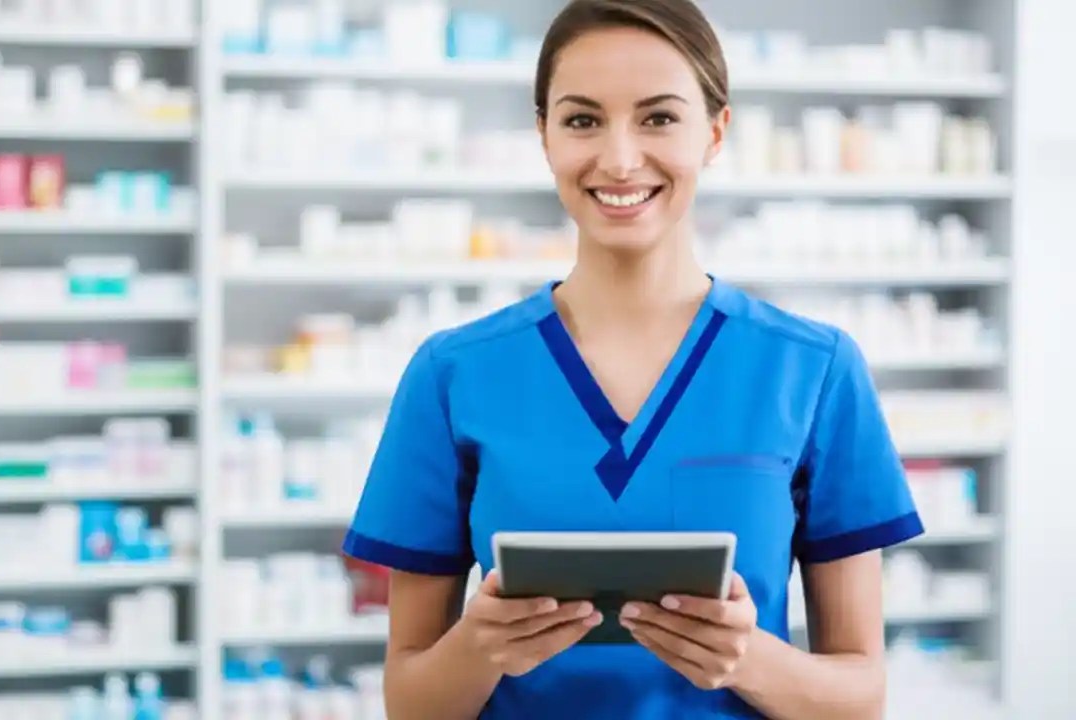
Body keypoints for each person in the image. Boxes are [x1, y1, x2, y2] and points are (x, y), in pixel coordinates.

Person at [339, 0, 925, 717]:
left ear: (715, 132)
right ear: (544, 136)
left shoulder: (814, 370)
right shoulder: (453, 374)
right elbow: (410, 702)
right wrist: (478, 648)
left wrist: (747, 659)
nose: (619, 158)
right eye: (582, 119)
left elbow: (860, 697)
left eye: (658, 118)